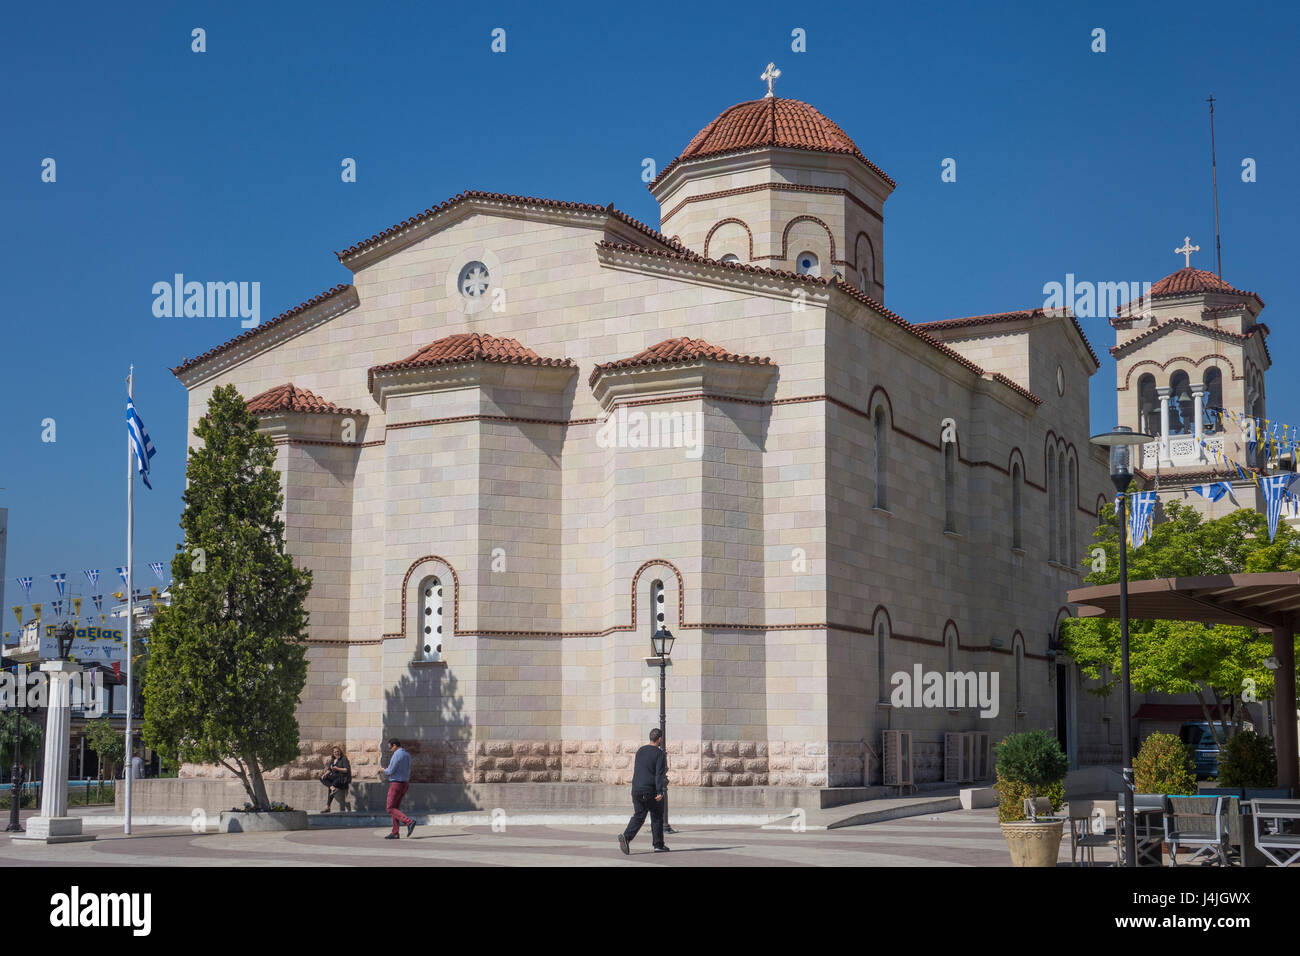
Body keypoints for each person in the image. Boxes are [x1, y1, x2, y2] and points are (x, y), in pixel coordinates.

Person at [619, 727, 669, 854]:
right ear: (660, 739)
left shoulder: (640, 751)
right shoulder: (659, 754)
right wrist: (659, 792)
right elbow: (659, 774)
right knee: (657, 816)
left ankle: (626, 837)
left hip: (636, 789)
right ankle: (658, 845)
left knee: (639, 815)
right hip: (650, 790)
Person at [378, 737, 415, 839]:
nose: (390, 750)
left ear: (394, 746)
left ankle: (409, 822)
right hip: (405, 783)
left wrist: (382, 770)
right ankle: (395, 832)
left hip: (396, 783)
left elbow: (390, 771)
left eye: (390, 748)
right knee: (395, 808)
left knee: (390, 808)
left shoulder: (397, 754)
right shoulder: (407, 754)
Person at [320, 745, 352, 812]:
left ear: (340, 752)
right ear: (333, 753)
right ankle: (332, 788)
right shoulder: (333, 760)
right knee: (322, 778)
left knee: (332, 786)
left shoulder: (344, 759)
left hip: (341, 778)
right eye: (334, 752)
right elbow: (329, 769)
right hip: (334, 777)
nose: (336, 753)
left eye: (337, 751)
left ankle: (327, 807)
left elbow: (346, 770)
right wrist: (324, 774)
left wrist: (337, 768)